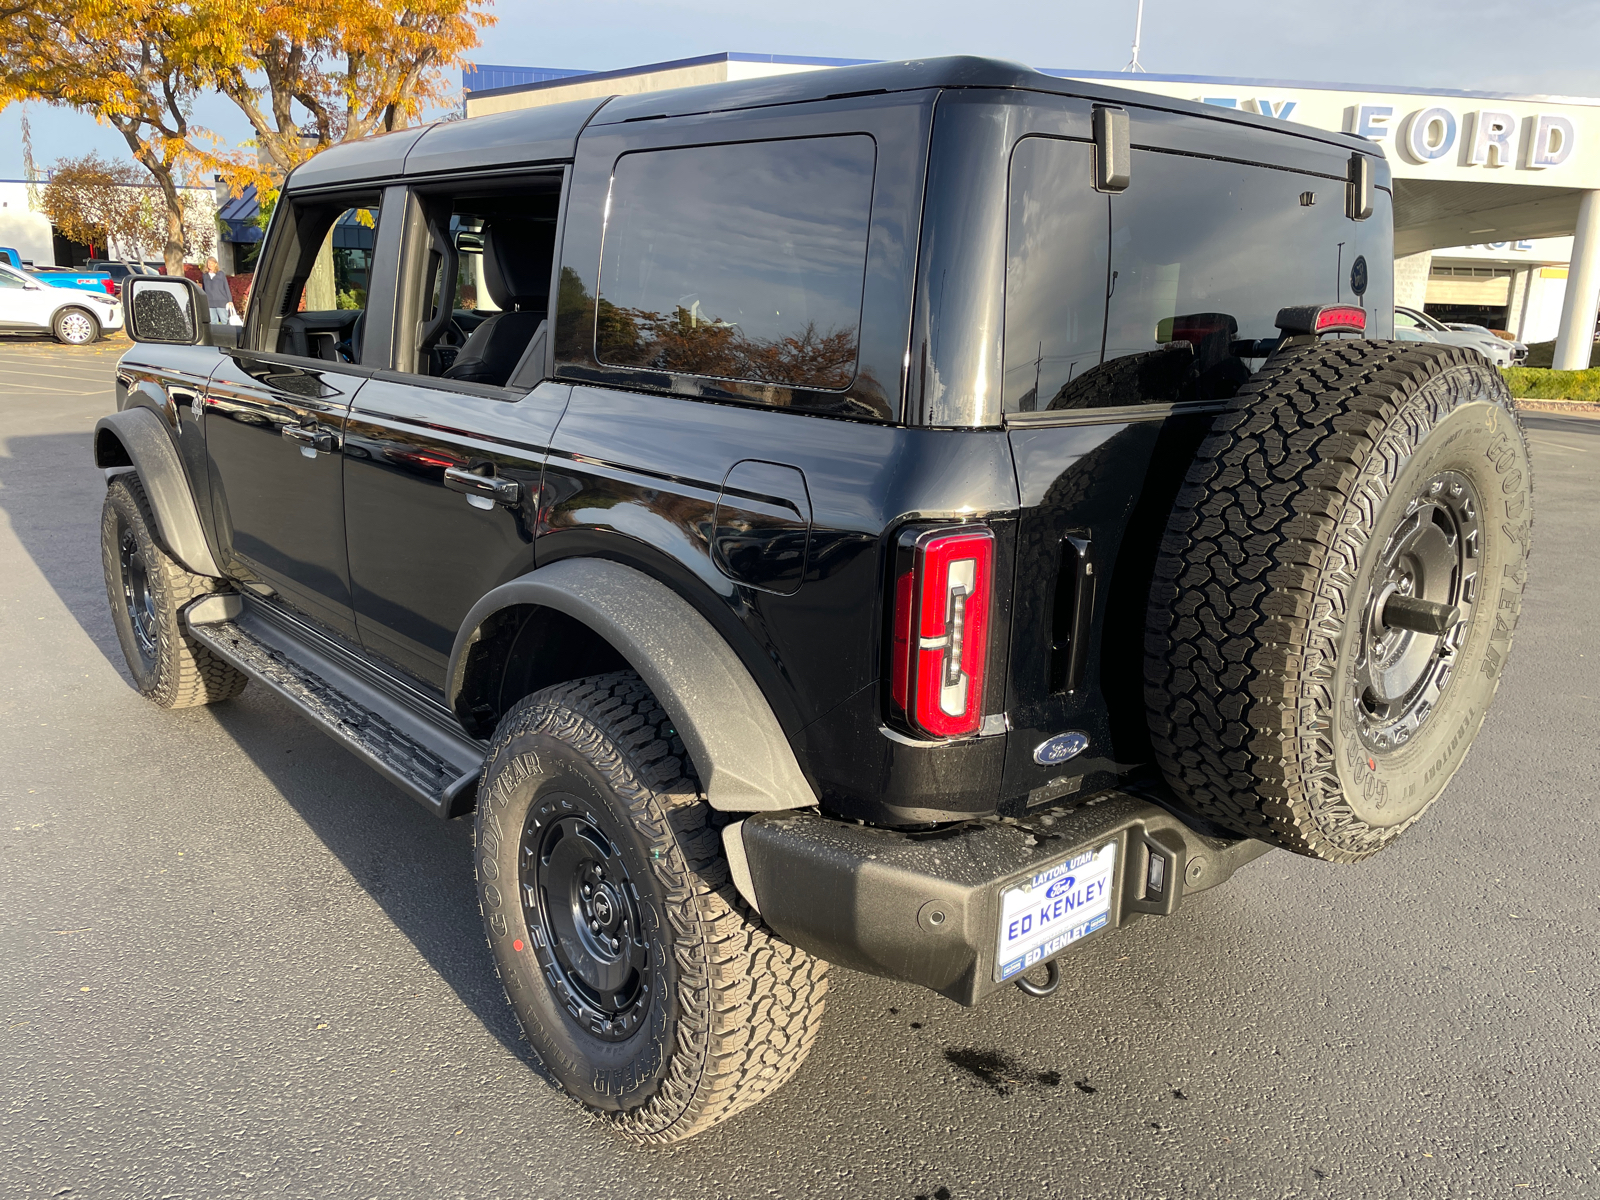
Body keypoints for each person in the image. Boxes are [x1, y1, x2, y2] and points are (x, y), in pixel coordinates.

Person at [201, 258, 232, 324]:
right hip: (209, 302)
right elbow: (204, 289)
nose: (210, 265)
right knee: (212, 322)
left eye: (212, 263)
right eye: (209, 263)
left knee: (225, 321)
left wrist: (230, 300)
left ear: (215, 264)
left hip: (221, 302)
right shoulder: (204, 275)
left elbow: (226, 287)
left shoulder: (221, 274)